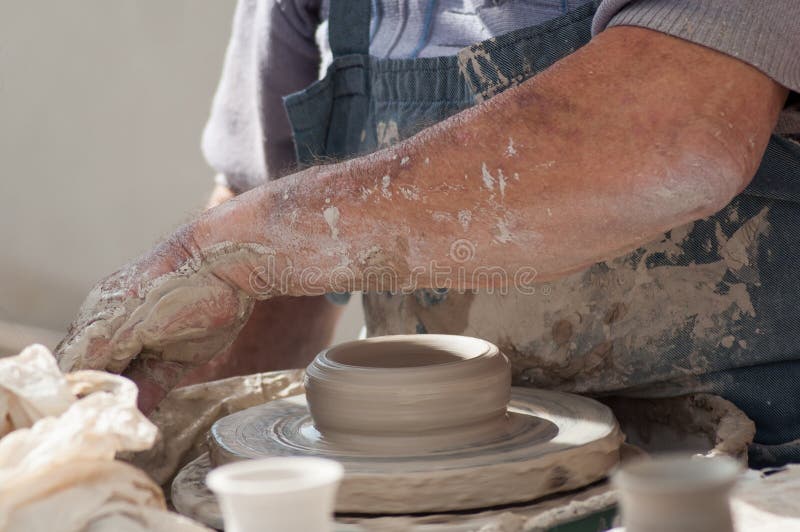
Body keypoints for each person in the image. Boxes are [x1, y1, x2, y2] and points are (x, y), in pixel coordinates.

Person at [57, 0, 800, 467]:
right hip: (436, 480)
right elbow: (254, 280)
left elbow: (676, 138)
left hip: (750, 477)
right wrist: (114, 445)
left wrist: (229, 250)